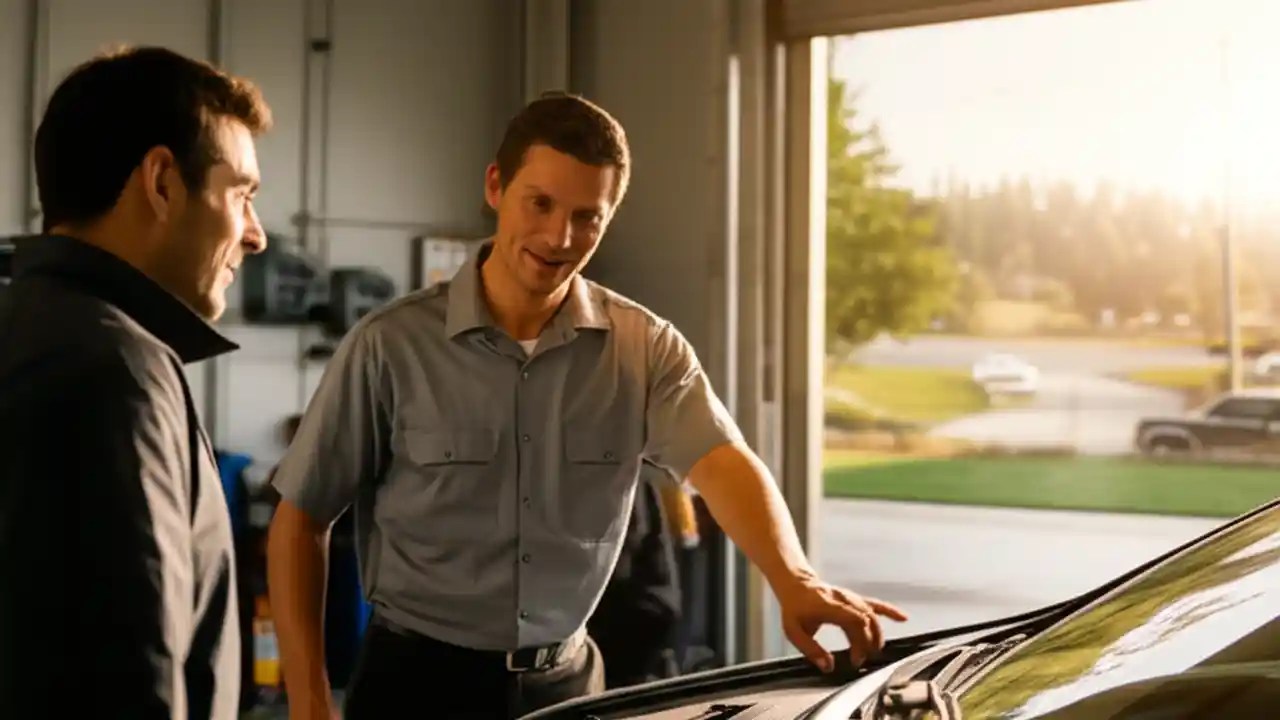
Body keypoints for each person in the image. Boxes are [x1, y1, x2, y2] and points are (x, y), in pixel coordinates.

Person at [267, 92, 907, 720]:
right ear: (496, 186)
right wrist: (309, 700)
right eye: (539, 203)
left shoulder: (644, 348)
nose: (558, 237)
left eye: (586, 217)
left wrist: (793, 578)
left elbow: (722, 461)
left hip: (569, 686)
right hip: (415, 687)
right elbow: (301, 520)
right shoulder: (389, 346)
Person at [0, 46, 271, 719]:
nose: (256, 235)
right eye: (241, 193)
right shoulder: (115, 371)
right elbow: (130, 669)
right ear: (161, 182)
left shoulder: (30, 329)